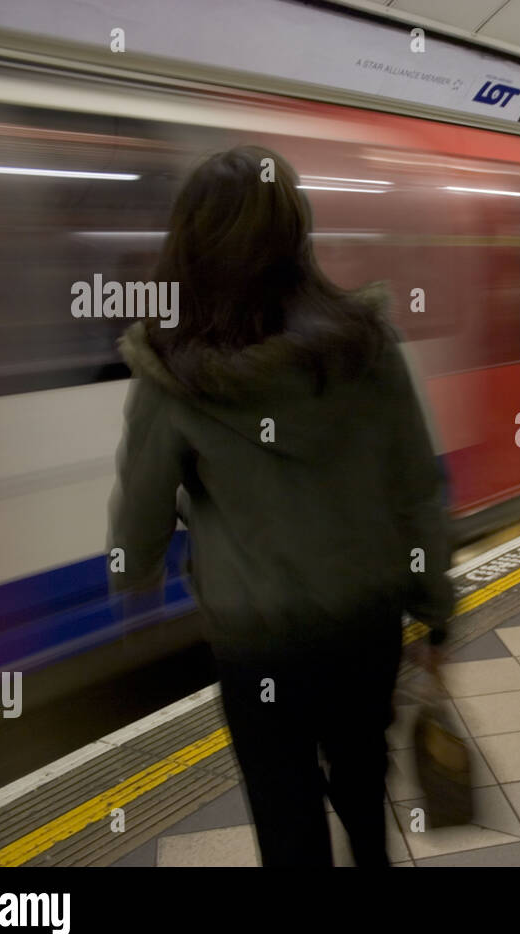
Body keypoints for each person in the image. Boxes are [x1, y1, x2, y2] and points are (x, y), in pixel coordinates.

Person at [106, 146, 454, 867]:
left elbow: (141, 513)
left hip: (258, 643)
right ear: (296, 234)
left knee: (283, 806)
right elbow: (416, 485)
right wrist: (436, 608)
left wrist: (134, 580)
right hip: (364, 625)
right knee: (362, 777)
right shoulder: (366, 348)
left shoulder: (171, 374)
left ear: (192, 244)